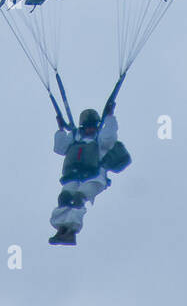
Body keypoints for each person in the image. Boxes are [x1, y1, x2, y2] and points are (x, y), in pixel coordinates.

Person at [48, 102, 132, 245]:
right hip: (73, 177)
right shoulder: (74, 137)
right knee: (65, 197)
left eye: (93, 126)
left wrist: (110, 116)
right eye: (88, 126)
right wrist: (61, 129)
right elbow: (60, 148)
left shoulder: (100, 139)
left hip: (95, 177)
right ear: (83, 127)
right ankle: (62, 229)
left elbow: (109, 138)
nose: (91, 129)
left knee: (79, 198)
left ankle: (71, 231)